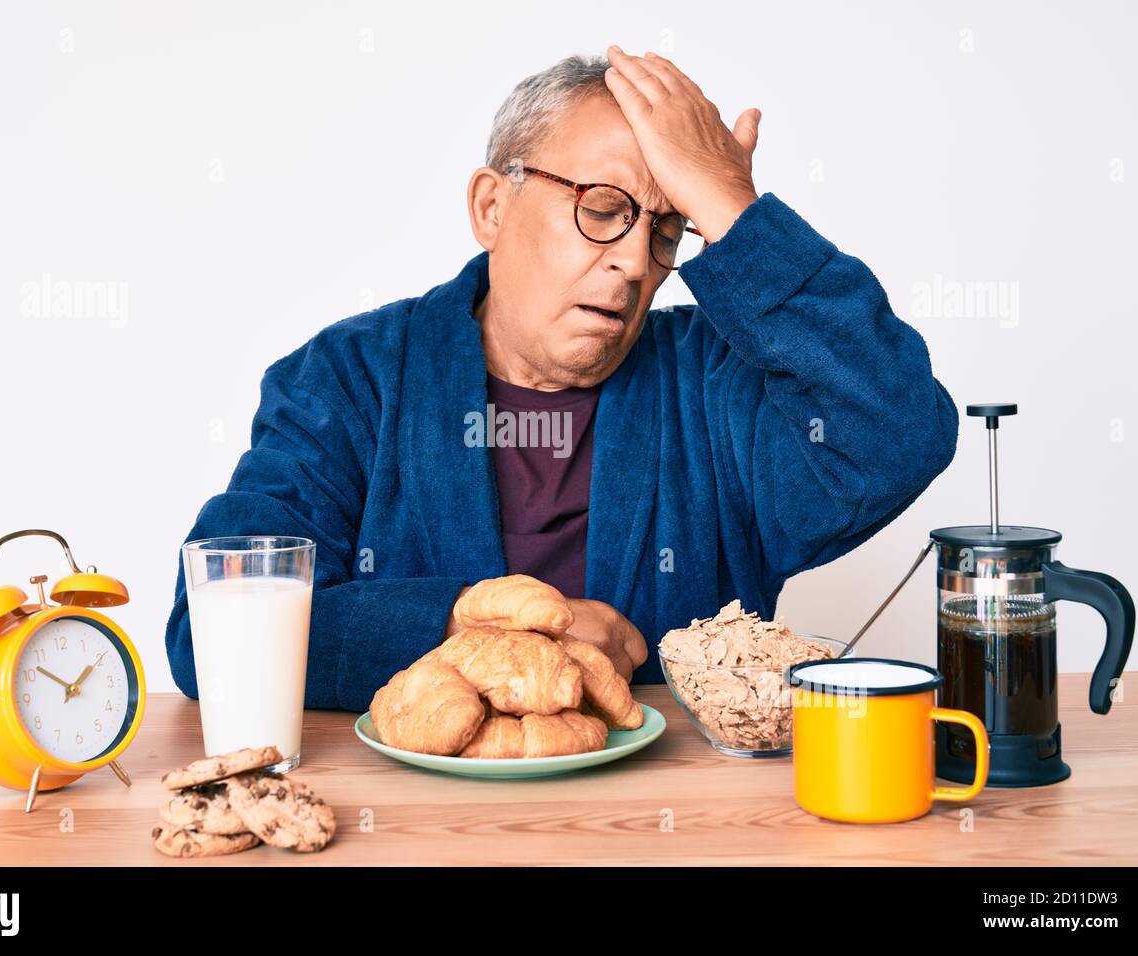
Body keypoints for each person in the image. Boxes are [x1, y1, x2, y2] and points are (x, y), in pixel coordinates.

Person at [164, 45, 959, 711]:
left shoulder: (720, 384)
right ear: (491, 208)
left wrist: (735, 211)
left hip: (675, 832)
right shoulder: (346, 381)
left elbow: (899, 433)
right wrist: (487, 633)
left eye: (668, 228)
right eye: (604, 206)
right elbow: (212, 630)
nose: (632, 261)